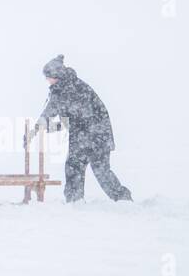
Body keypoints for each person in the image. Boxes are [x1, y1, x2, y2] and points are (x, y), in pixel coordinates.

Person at [27, 55, 133, 203]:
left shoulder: (67, 89)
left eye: (48, 77)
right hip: (89, 135)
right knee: (80, 168)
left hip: (94, 136)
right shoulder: (68, 86)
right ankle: (76, 200)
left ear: (57, 75)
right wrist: (42, 129)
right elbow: (67, 119)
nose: (47, 81)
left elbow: (56, 113)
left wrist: (35, 130)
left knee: (91, 169)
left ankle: (121, 200)